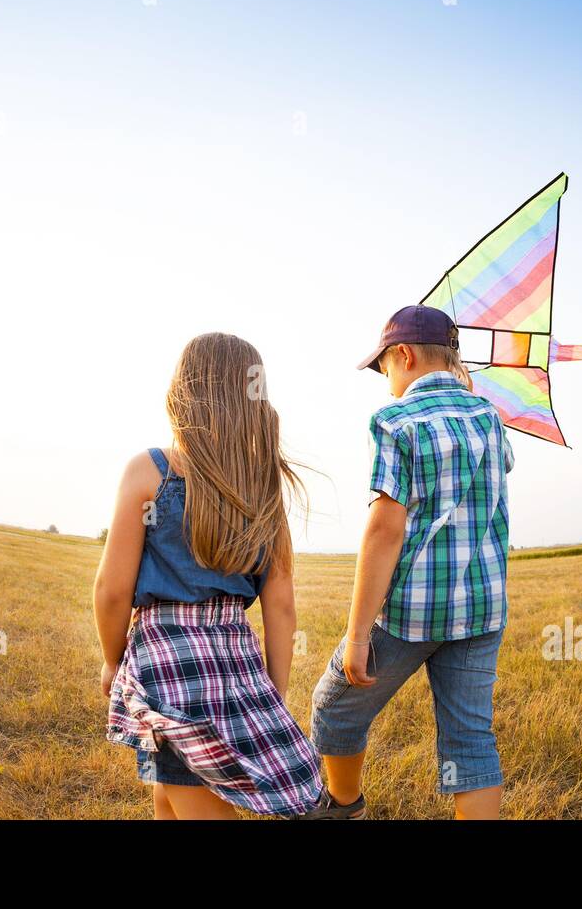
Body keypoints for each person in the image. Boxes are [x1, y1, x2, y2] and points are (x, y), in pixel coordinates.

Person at [95, 332, 322, 819]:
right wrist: (272, 694)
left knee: (186, 791)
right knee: (169, 790)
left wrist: (113, 663)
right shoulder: (264, 489)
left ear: (183, 393)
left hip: (166, 664)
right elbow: (280, 606)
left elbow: (112, 592)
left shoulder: (149, 472)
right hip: (235, 662)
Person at [301, 305, 514, 820]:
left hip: (410, 615)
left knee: (334, 709)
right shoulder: (488, 416)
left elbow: (384, 529)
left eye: (385, 370)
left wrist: (356, 638)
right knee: (470, 742)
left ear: (403, 355)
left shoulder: (395, 421)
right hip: (481, 609)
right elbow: (501, 470)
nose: (387, 383)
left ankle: (344, 805)